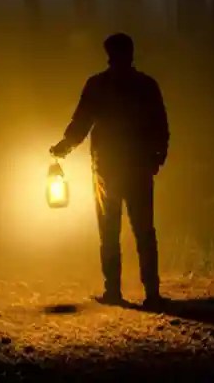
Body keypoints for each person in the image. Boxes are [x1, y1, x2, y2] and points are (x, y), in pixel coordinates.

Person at [51, 32, 169, 308]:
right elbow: (160, 124)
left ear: (109, 54)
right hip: (139, 167)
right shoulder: (146, 85)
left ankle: (113, 292)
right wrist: (157, 157)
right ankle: (152, 294)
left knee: (109, 230)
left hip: (106, 168)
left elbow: (81, 122)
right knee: (144, 231)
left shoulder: (98, 85)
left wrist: (64, 147)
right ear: (131, 53)